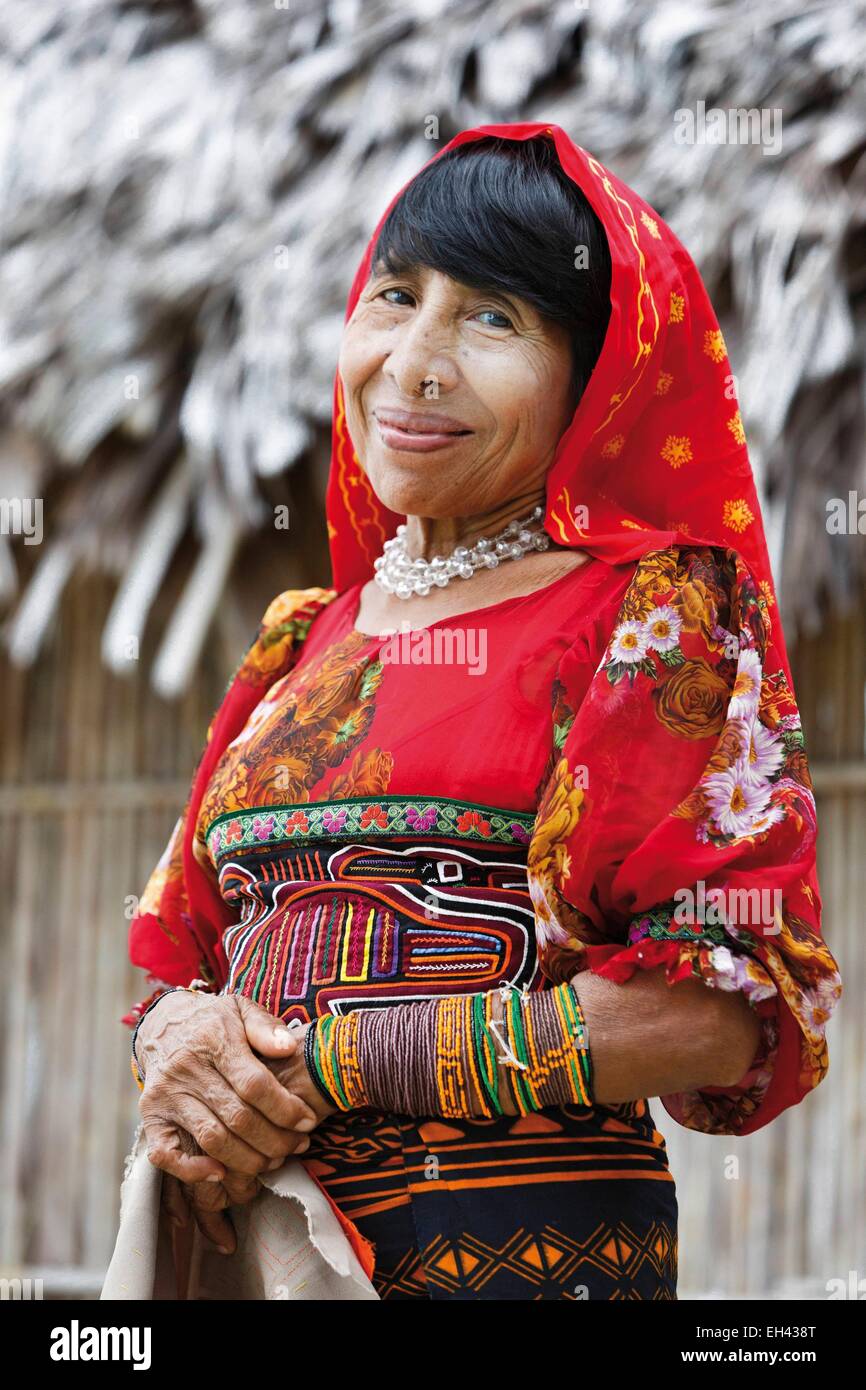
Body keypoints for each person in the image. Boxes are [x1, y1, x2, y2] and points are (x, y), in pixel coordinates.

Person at [122, 123, 841, 1300]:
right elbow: (173, 961)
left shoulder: (646, 622)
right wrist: (175, 1047)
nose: (413, 360)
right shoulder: (296, 644)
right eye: (394, 297)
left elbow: (722, 1011)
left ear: (595, 376)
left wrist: (337, 1061)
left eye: (491, 318)